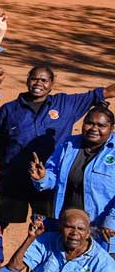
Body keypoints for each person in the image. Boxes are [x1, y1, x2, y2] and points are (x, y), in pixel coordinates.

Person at [0, 65, 114, 229]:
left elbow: (104, 93)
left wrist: (44, 176)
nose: (38, 83)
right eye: (34, 79)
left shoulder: (67, 104)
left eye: (44, 80)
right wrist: (7, 174)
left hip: (50, 181)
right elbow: (1, 147)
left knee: (44, 228)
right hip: (15, 180)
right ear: (27, 80)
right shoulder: (9, 109)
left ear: (51, 84)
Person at [30, 104, 115, 248]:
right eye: (89, 123)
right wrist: (42, 178)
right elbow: (53, 175)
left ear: (112, 128)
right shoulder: (69, 144)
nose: (94, 129)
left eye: (101, 125)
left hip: (101, 228)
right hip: (67, 224)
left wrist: (111, 221)